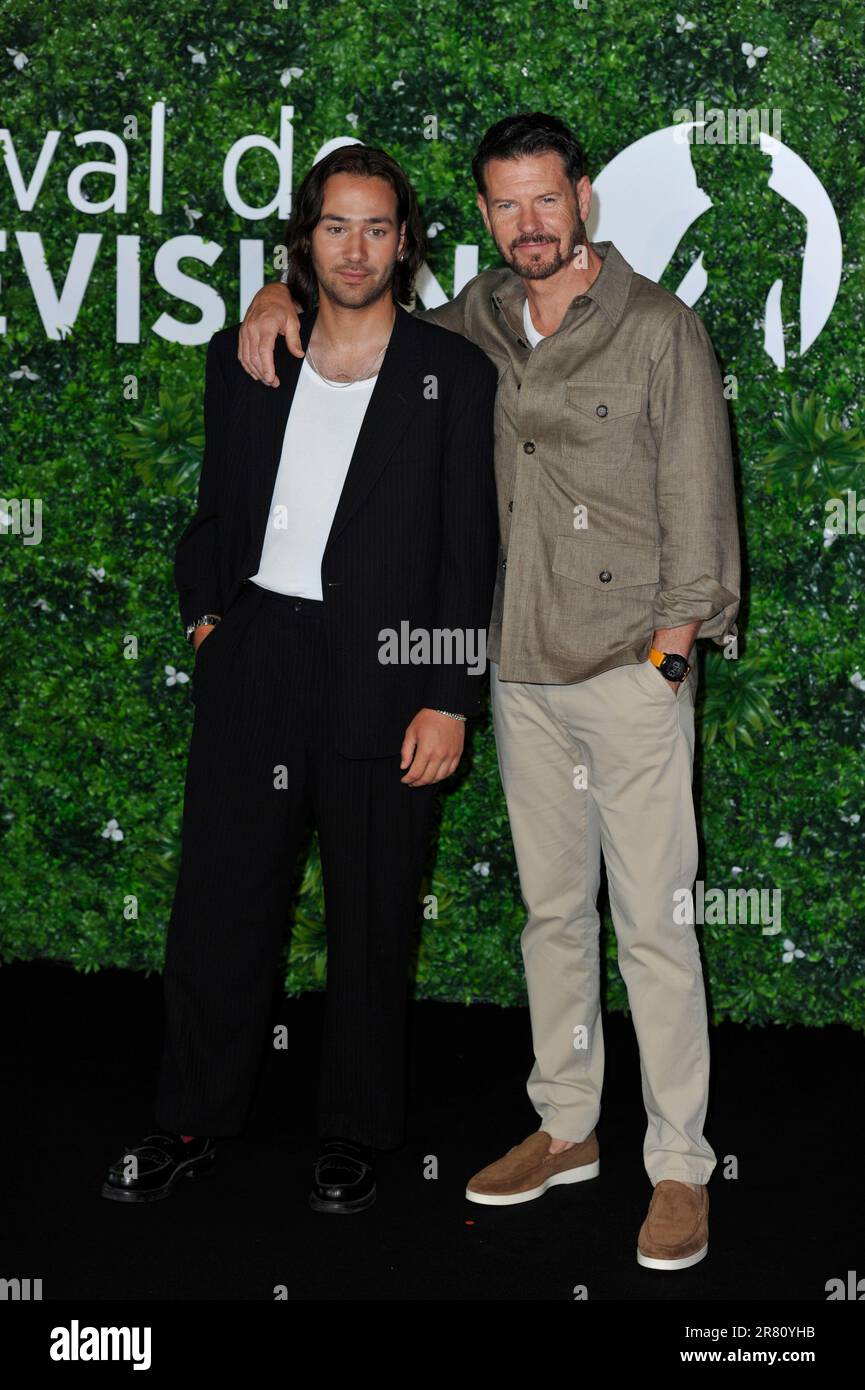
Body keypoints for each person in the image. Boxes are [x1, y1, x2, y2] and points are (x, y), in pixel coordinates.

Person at [238, 113, 741, 1268]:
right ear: (481, 214)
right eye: (505, 204)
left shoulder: (660, 328)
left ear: (583, 202)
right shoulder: (472, 323)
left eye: (545, 200)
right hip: (516, 679)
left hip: (627, 674)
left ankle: (678, 1163)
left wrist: (665, 664)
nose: (528, 223)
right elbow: (355, 316)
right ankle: (568, 1125)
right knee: (551, 919)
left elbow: (703, 517)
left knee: (655, 929)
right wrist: (279, 296)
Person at [101, 144, 499, 1214]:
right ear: (305, 240)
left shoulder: (452, 374)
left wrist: (450, 694)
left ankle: (357, 1132)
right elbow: (214, 507)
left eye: (377, 227)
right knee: (220, 903)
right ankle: (189, 1117)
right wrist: (207, 619)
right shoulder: (249, 359)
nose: (356, 247)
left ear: (406, 241)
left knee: (375, 914)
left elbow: (471, 552)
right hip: (257, 654)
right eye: (335, 226)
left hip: (389, 667)